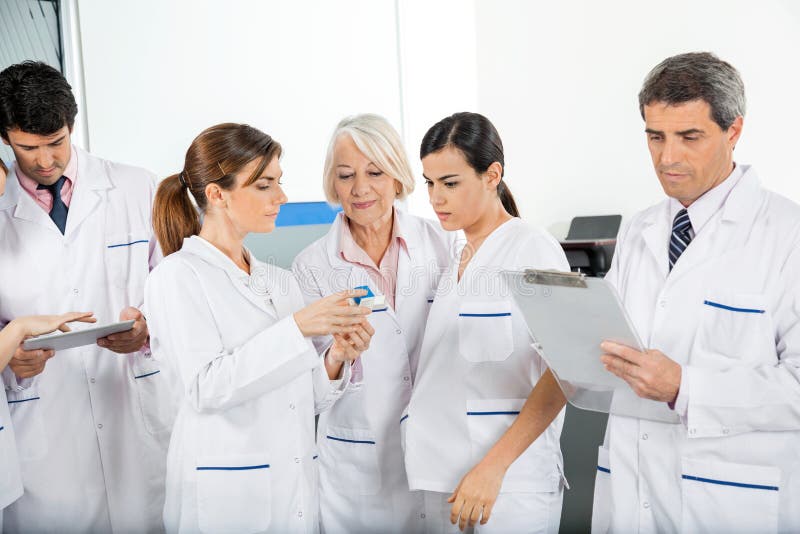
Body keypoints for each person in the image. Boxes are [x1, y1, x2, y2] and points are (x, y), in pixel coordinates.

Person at [593, 52, 800, 533]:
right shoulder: (640, 229)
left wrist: (687, 388)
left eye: (689, 137)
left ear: (734, 132)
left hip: (730, 502)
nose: (668, 157)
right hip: (631, 491)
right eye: (655, 136)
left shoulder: (787, 235)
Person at [146, 122, 375, 533]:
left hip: (293, 493)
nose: (281, 198)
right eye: (265, 185)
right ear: (217, 194)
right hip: (226, 500)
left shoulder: (279, 281)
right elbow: (205, 387)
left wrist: (336, 357)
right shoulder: (177, 276)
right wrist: (298, 328)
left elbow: (302, 399)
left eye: (279, 183)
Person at [0, 60, 173, 532]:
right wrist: (12, 354)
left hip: (132, 406)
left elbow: (177, 289)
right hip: (44, 424)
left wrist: (147, 328)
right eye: (27, 148)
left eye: (55, 143)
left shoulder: (136, 187)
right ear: (5, 140)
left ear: (71, 126)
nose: (43, 160)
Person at [403, 112, 569, 534]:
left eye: (451, 183)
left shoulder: (533, 249)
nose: (436, 198)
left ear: (492, 174)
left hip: (508, 486)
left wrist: (493, 469)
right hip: (448, 481)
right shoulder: (456, 257)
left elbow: (565, 371)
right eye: (429, 183)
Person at [292, 114, 453, 533]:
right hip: (357, 464)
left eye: (375, 172)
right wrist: (337, 357)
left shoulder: (443, 245)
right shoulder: (311, 266)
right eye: (346, 175)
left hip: (436, 450)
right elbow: (305, 391)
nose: (360, 188)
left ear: (398, 178)